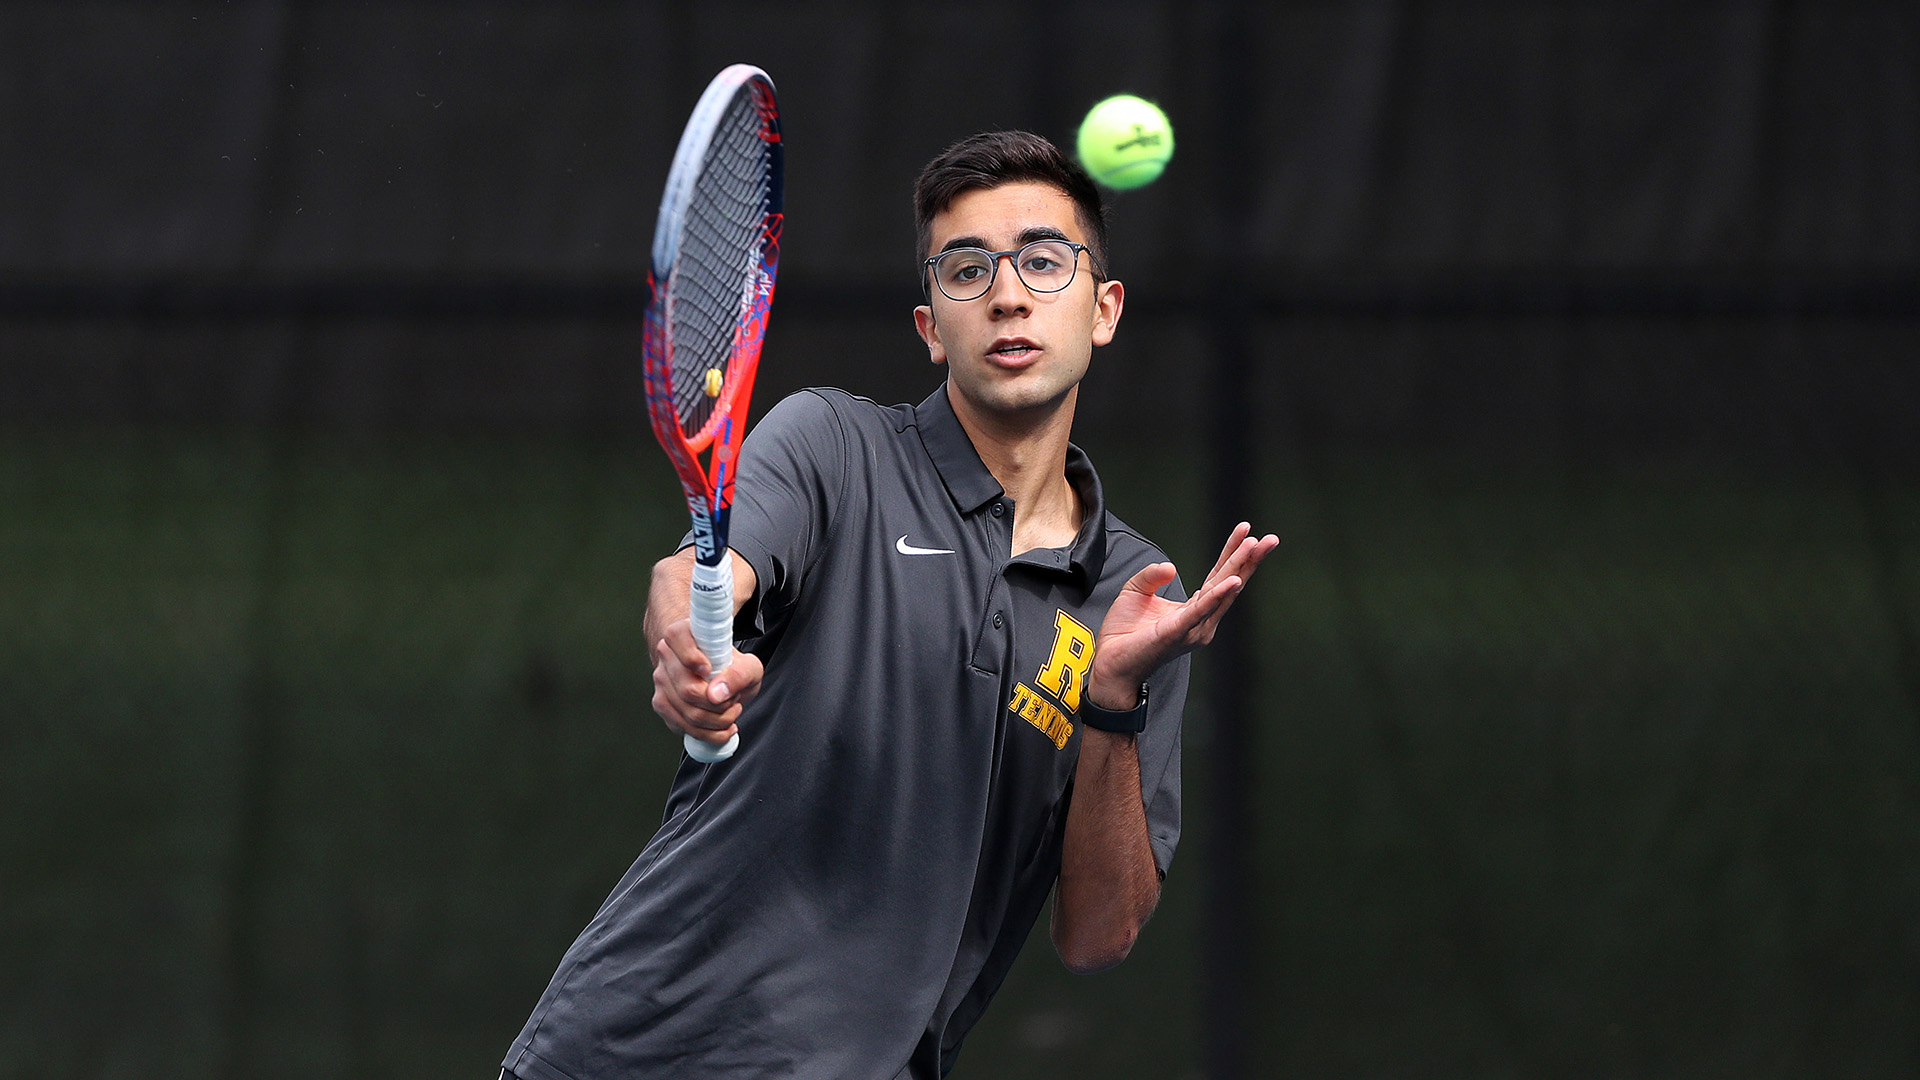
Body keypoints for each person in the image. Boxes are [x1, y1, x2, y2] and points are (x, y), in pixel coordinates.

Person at [502, 130, 1277, 1080]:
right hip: (644, 1052)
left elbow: (1098, 934)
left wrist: (1113, 702)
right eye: (967, 269)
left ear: (1103, 307)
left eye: (1043, 261)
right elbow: (696, 576)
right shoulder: (832, 446)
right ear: (930, 327)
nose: (1007, 294)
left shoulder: (1135, 595)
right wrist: (685, 650)